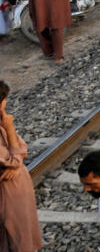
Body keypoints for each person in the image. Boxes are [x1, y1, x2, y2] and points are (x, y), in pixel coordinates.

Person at [0, 80, 42, 252]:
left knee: (21, 234)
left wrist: (16, 163)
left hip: (15, 188)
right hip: (7, 192)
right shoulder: (5, 124)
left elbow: (21, 149)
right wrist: (10, 129)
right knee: (13, 236)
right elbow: (14, 158)